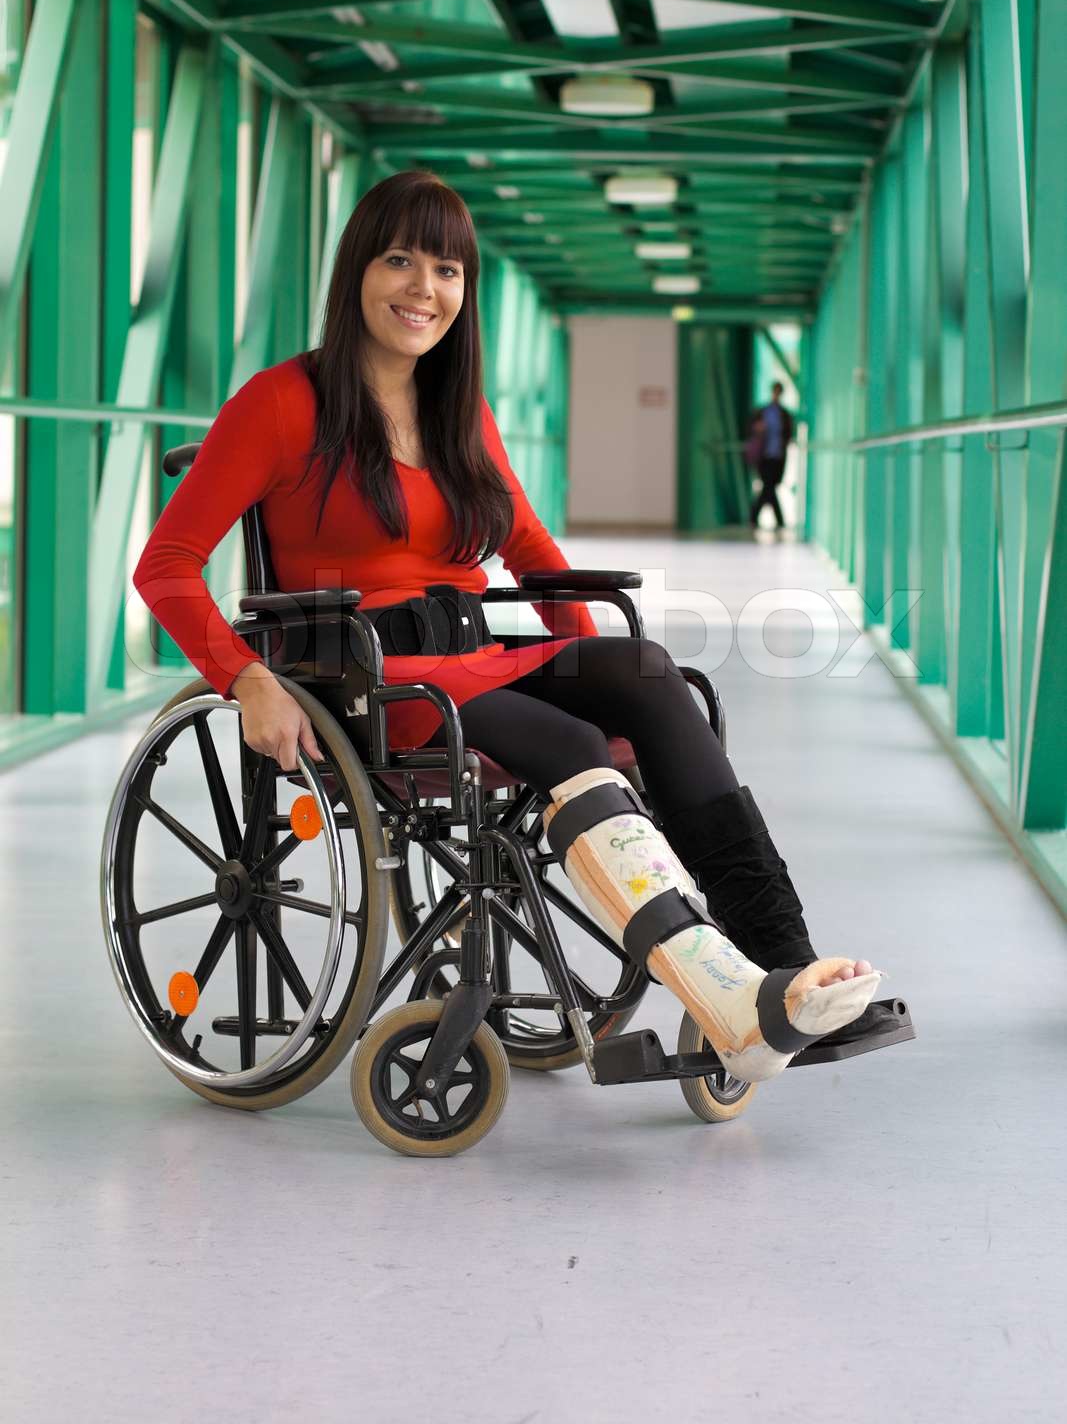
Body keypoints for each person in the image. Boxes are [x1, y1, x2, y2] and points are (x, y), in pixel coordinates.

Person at [133, 170, 886, 1070]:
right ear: (355, 273)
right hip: (370, 679)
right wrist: (246, 677)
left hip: (473, 654)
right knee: (564, 742)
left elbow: (532, 555)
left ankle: (785, 968)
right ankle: (727, 998)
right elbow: (166, 566)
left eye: (447, 270)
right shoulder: (282, 402)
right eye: (401, 261)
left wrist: (606, 671)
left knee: (647, 675)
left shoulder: (458, 412)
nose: (424, 289)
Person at [748, 380, 793, 530]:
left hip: (778, 455)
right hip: (764, 455)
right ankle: (776, 520)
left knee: (769, 487)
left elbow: (788, 435)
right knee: (768, 486)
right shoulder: (763, 412)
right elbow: (751, 429)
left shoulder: (785, 414)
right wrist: (759, 429)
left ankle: (754, 517)